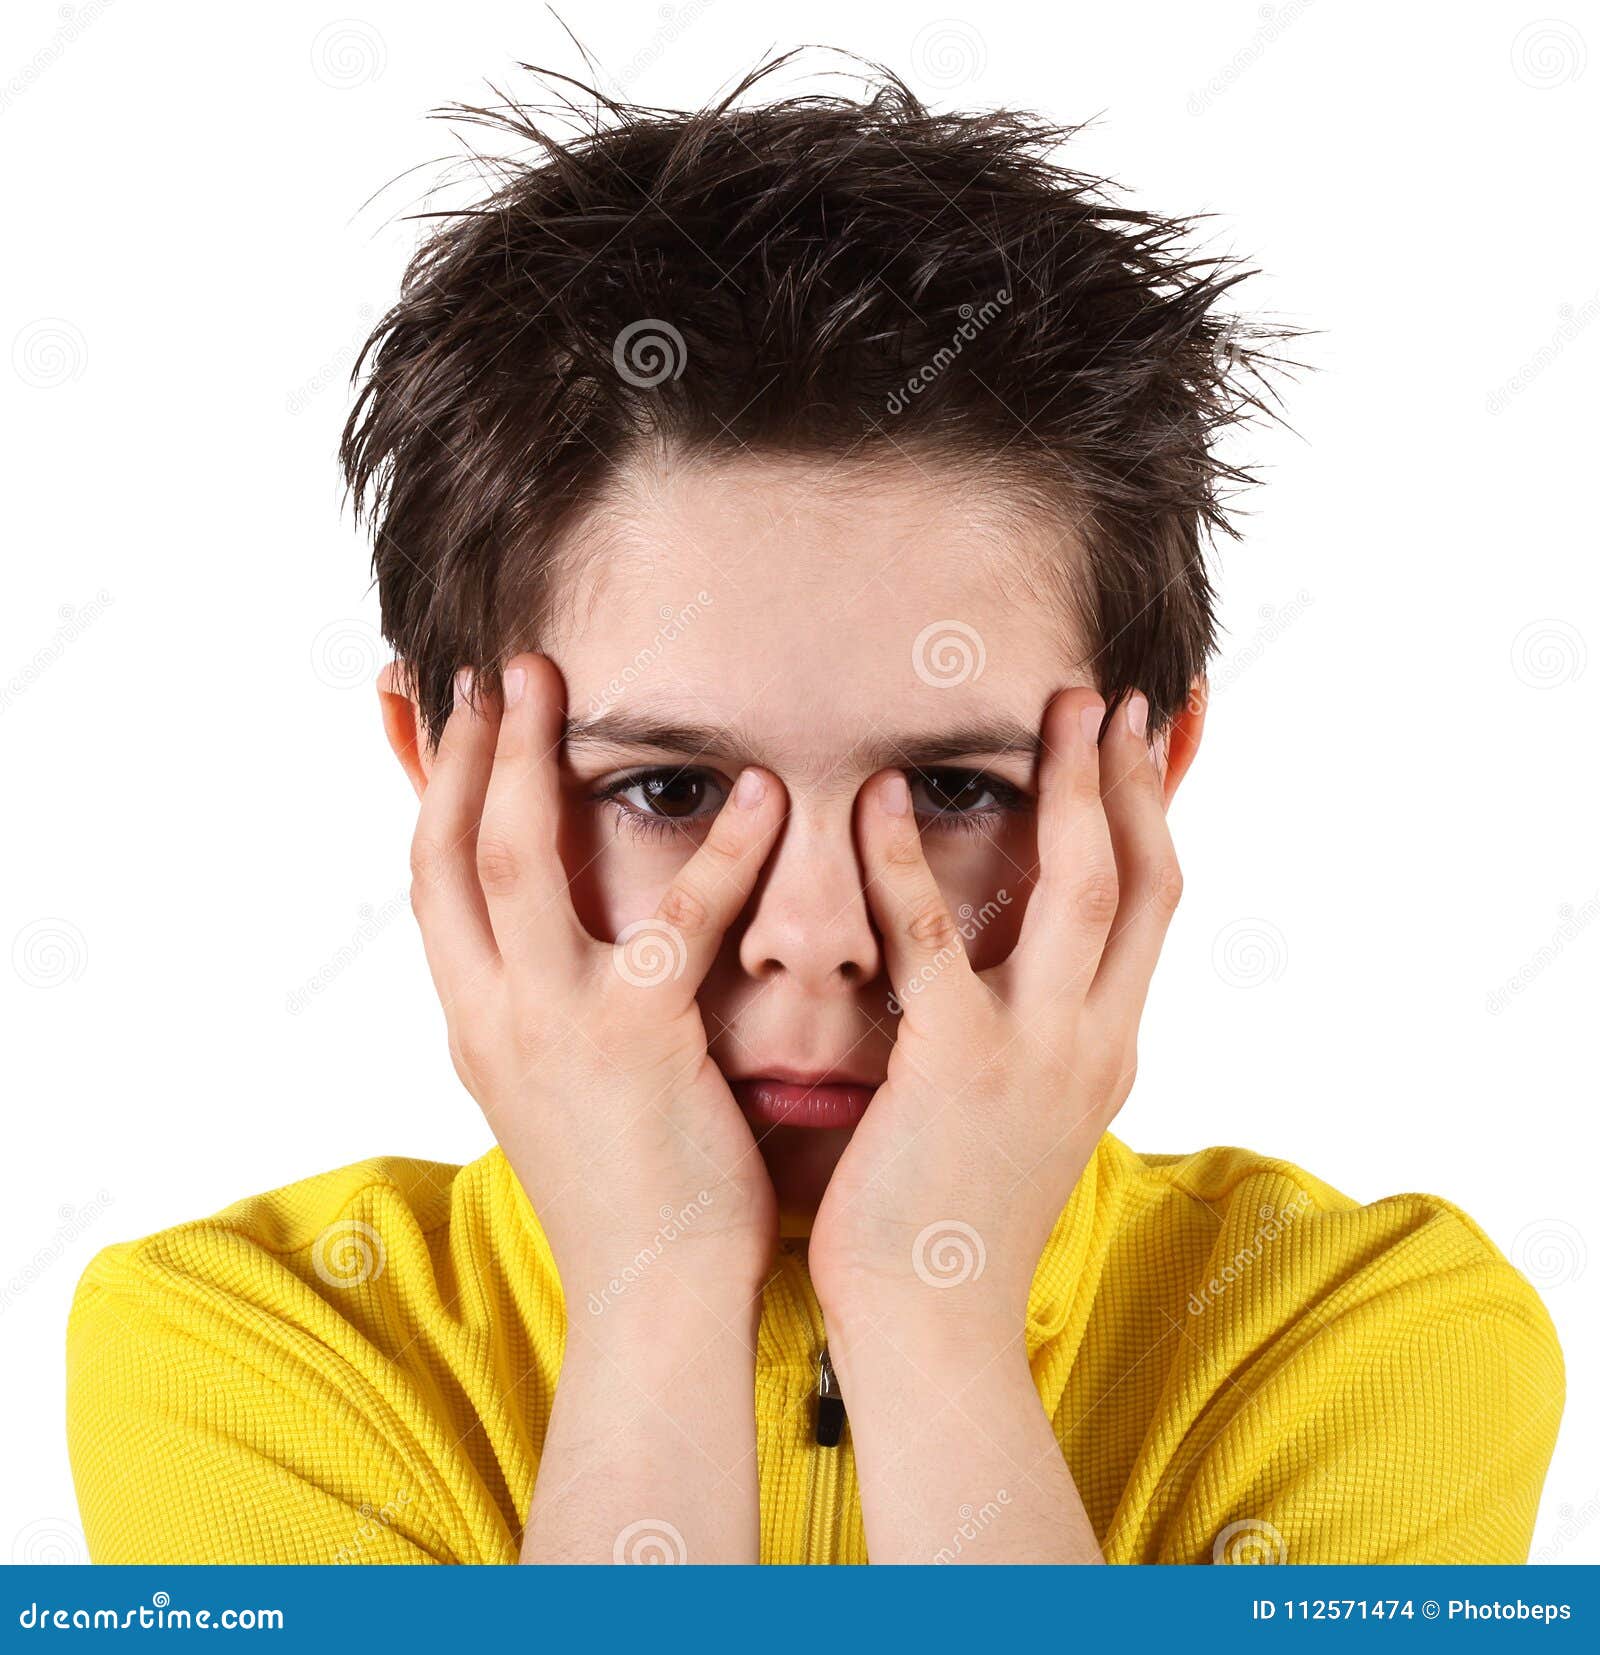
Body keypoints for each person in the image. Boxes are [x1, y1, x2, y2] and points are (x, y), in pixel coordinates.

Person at [66, 53, 1562, 1565]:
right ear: (444, 775)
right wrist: (656, 1296)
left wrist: (932, 1309)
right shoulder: (243, 1348)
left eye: (953, 788)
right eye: (669, 787)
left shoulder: (1371, 1338)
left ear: (1145, 783)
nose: (821, 935)